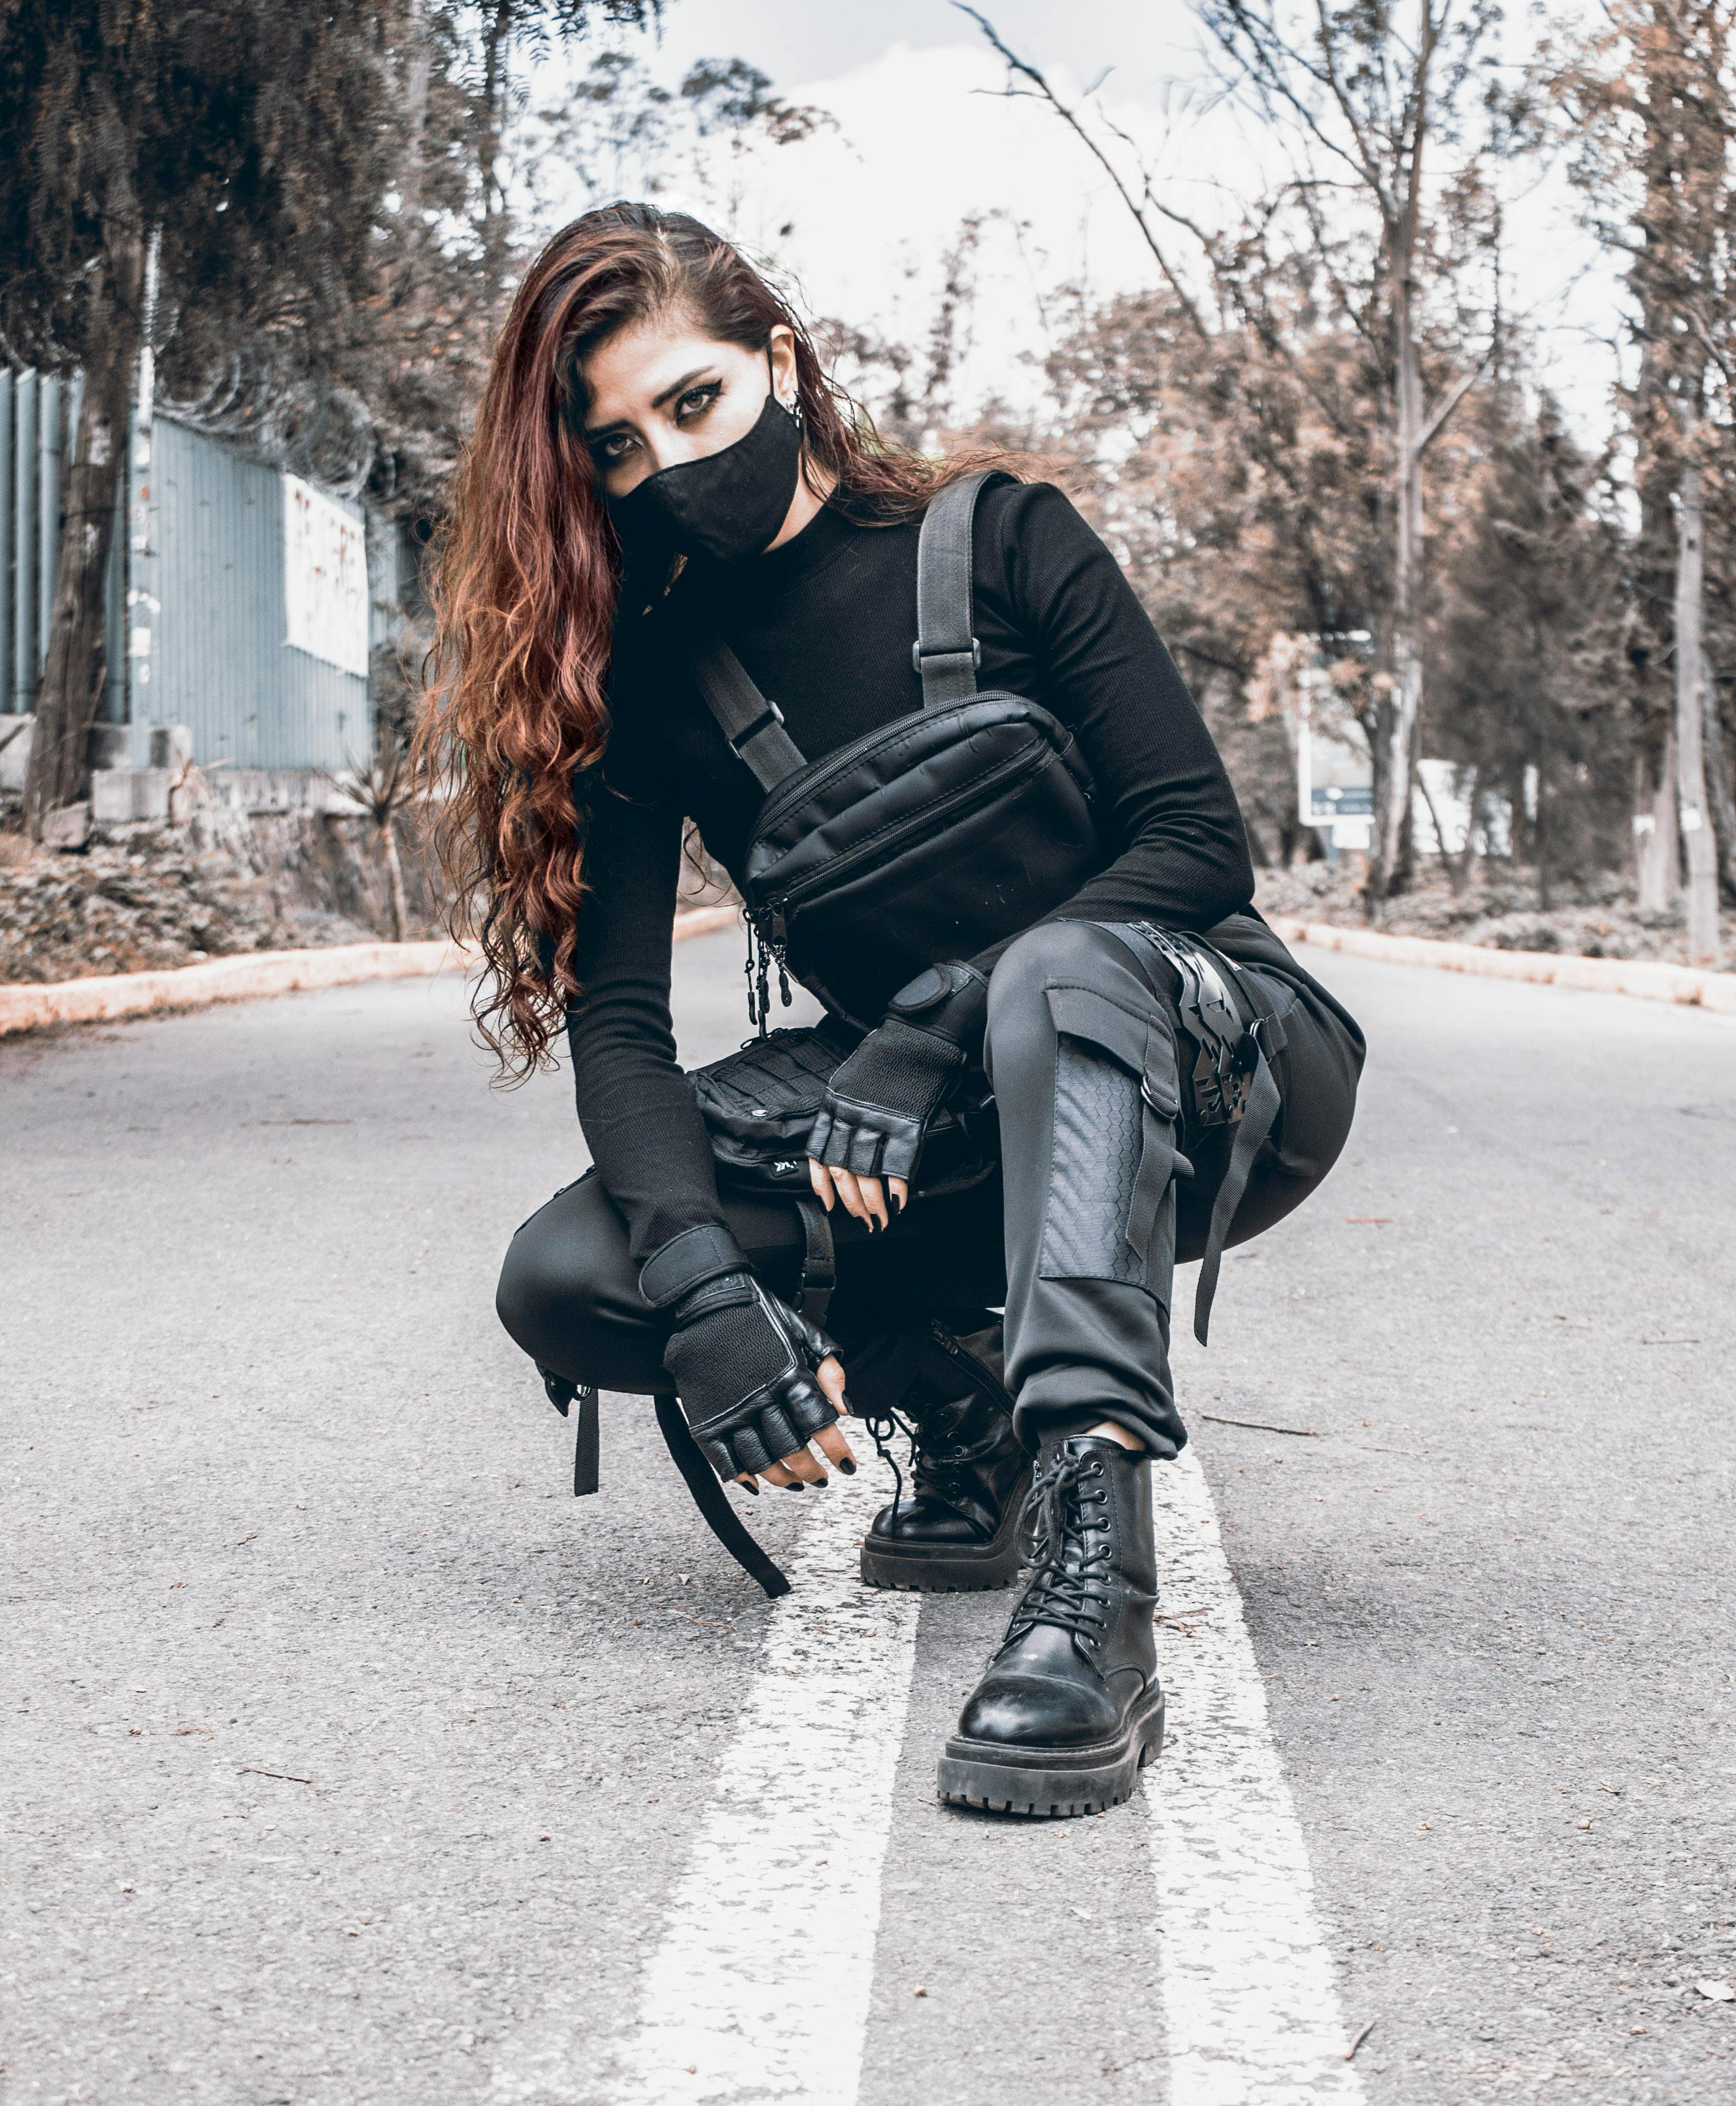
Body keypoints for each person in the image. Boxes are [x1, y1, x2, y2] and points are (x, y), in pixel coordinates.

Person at [419, 201, 1365, 1819]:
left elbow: (1196, 844)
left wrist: (942, 1009)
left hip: (1212, 1064)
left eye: (693, 403)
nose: (666, 464)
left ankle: (1090, 1587)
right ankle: (964, 1406)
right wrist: (705, 1290)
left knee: (1066, 976)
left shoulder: (999, 536)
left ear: (777, 361)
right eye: (621, 449)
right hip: (929, 1137)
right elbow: (624, 1027)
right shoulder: (650, 678)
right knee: (578, 1268)